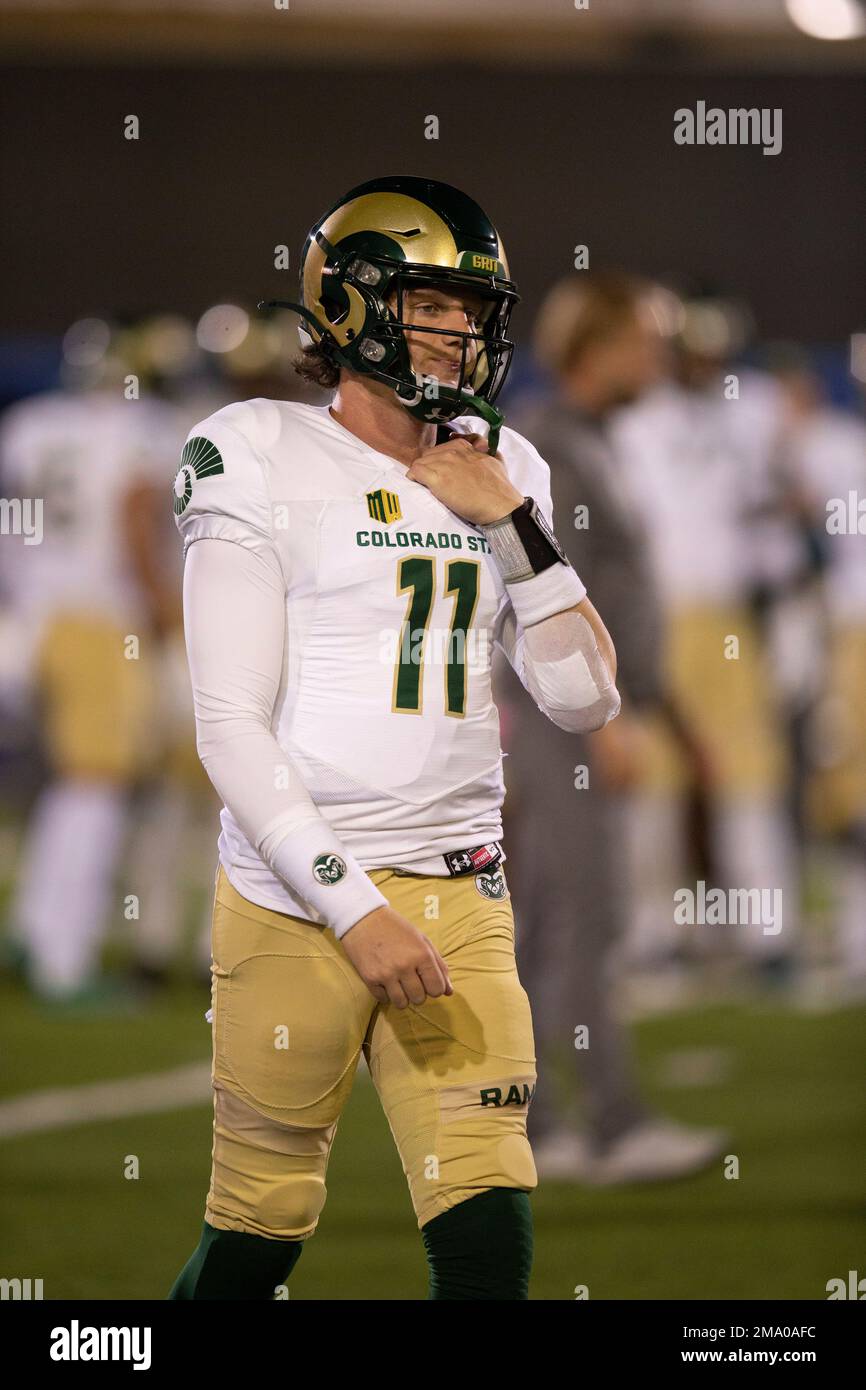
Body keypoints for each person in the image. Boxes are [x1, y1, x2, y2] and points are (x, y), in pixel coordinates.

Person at [167, 175, 621, 1301]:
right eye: (433, 305)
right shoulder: (258, 451)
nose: (460, 333)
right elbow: (226, 727)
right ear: (353, 303)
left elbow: (582, 700)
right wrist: (352, 908)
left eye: (472, 311)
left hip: (461, 889)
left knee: (484, 1235)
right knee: (259, 1233)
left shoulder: (504, 469)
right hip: (294, 894)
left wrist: (509, 521)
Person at [502, 272, 728, 1183]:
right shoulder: (554, 446)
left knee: (552, 920)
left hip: (587, 714)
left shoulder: (587, 443)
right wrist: (601, 721)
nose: (660, 359)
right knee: (577, 919)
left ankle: (543, 1123)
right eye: (645, 340)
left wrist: (666, 710)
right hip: (569, 719)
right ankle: (602, 1123)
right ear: (596, 348)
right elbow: (545, 602)